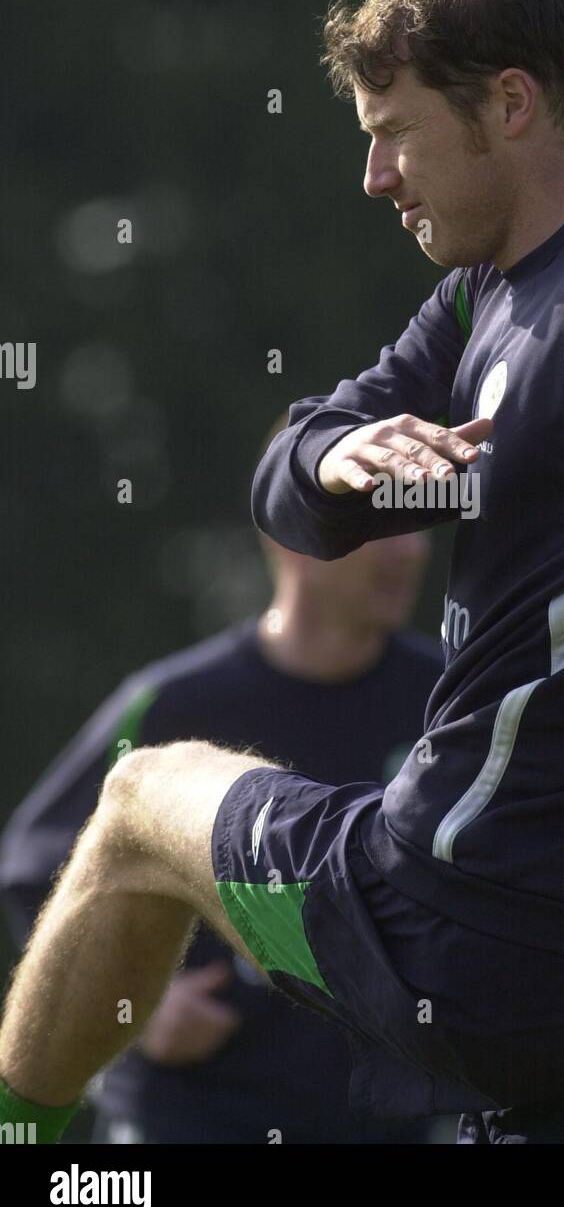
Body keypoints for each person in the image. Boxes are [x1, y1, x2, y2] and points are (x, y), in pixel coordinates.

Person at [3, 0, 564, 1146]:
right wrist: (330, 459)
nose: (376, 179)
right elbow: (292, 476)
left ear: (512, 104)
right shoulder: (489, 289)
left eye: (393, 133)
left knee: (142, 799)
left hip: (480, 933)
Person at [0, 474, 440, 1143]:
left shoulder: (451, 702)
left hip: (379, 1126)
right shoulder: (171, 703)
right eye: (381, 524)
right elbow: (38, 872)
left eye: (416, 522)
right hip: (188, 1121)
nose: (408, 550)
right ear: (291, 534)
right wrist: (135, 1015)